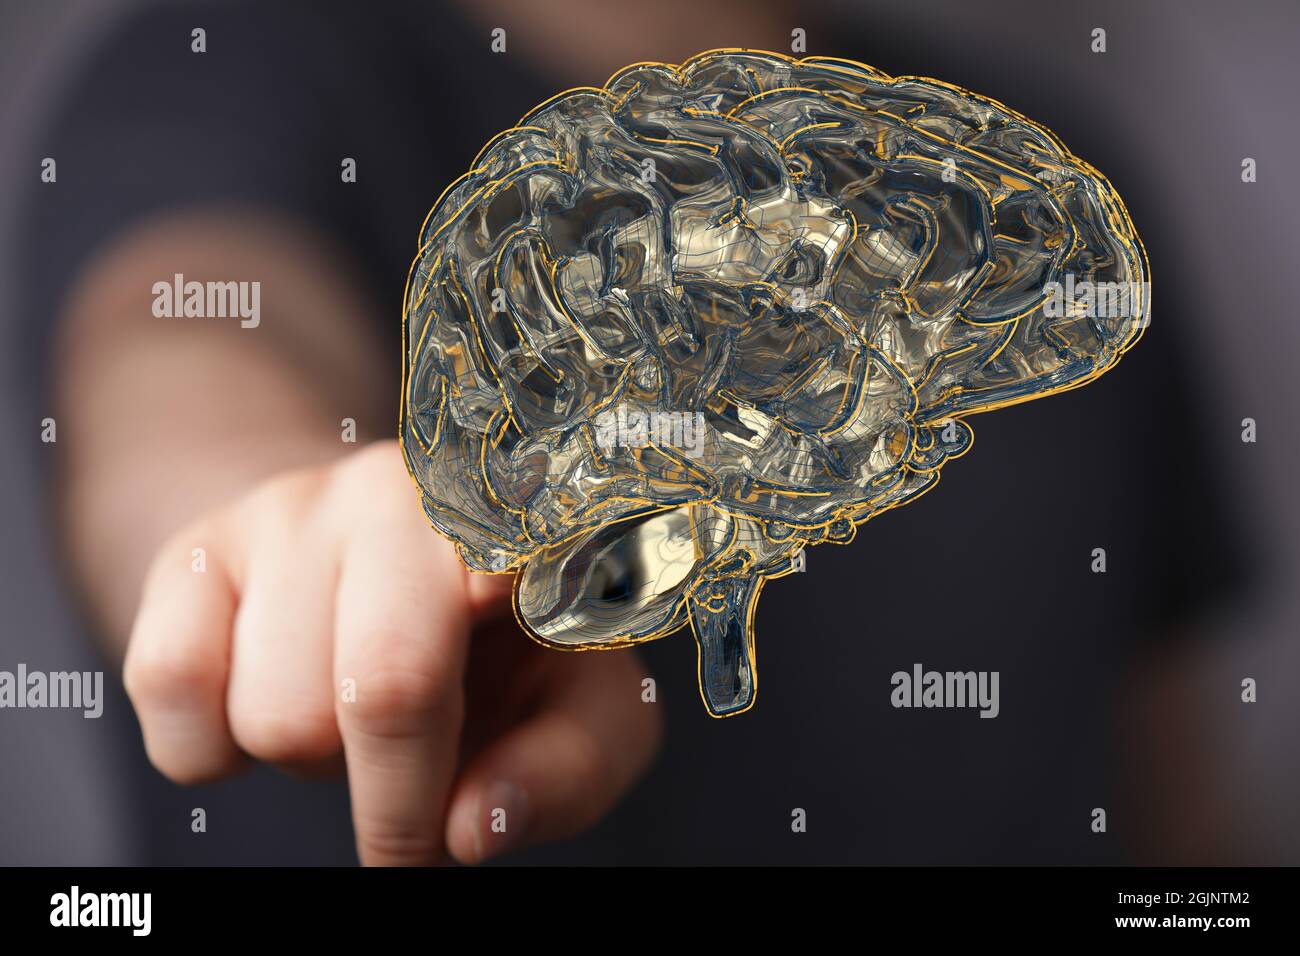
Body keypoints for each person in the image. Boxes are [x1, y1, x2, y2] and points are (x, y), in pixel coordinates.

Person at [19, 0, 1249, 865]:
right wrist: (283, 511)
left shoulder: (1044, 162)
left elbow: (1165, 772)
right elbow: (183, 343)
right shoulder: (232, 63)